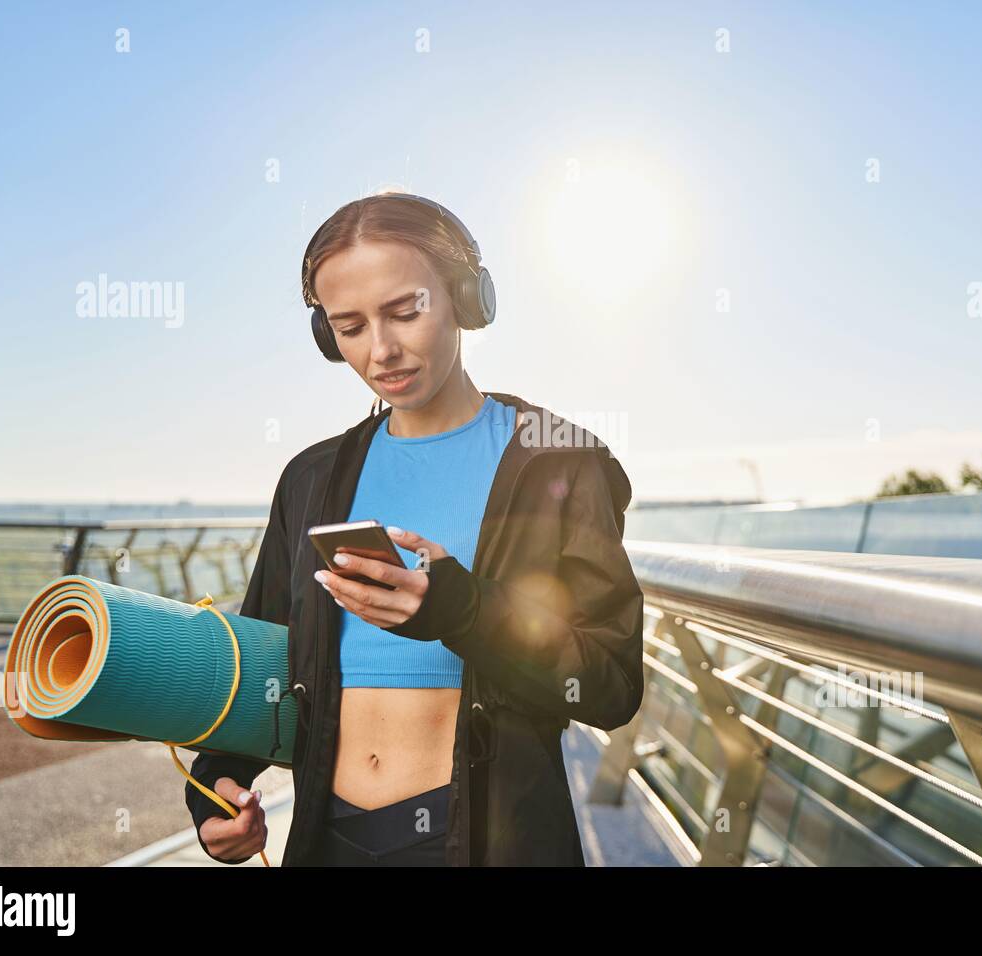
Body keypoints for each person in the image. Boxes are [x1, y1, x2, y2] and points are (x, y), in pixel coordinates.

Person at [183, 192, 645, 866]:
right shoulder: (310, 477)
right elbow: (266, 663)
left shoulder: (560, 459)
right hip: (327, 841)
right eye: (349, 326)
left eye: (406, 312)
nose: (382, 350)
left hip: (489, 846)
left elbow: (609, 686)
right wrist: (214, 790)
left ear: (465, 297)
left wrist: (461, 610)